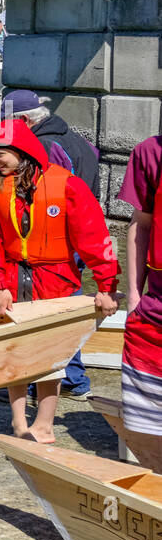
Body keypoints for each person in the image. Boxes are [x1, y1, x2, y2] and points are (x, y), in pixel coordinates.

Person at [0, 120, 120, 442]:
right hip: (12, 277)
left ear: (22, 152)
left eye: (0, 154)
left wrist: (106, 287)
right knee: (14, 350)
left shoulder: (67, 185)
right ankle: (17, 421)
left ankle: (43, 424)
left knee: (50, 356)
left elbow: (93, 238)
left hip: (55, 278)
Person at [118, 132, 162, 467]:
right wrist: (134, 296)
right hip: (155, 309)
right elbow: (142, 224)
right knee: (146, 425)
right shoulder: (150, 152)